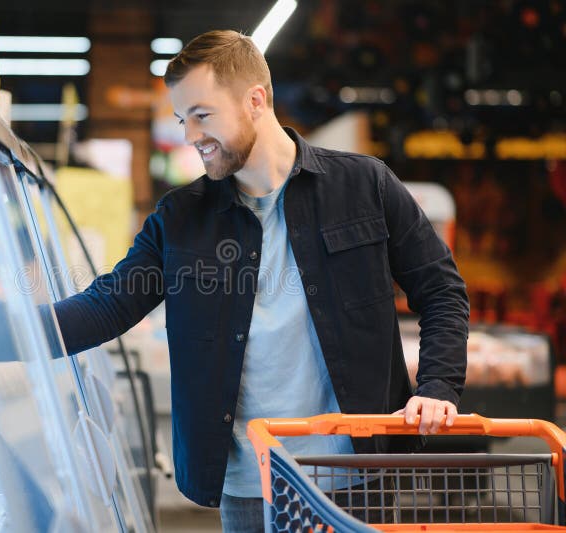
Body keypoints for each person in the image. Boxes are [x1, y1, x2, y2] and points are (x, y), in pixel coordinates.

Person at [53, 30, 468, 531]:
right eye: (183, 120)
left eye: (202, 115)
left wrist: (439, 385)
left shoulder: (365, 186)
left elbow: (442, 290)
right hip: (248, 485)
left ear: (255, 100)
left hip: (357, 478)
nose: (189, 136)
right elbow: (107, 306)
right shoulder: (182, 218)